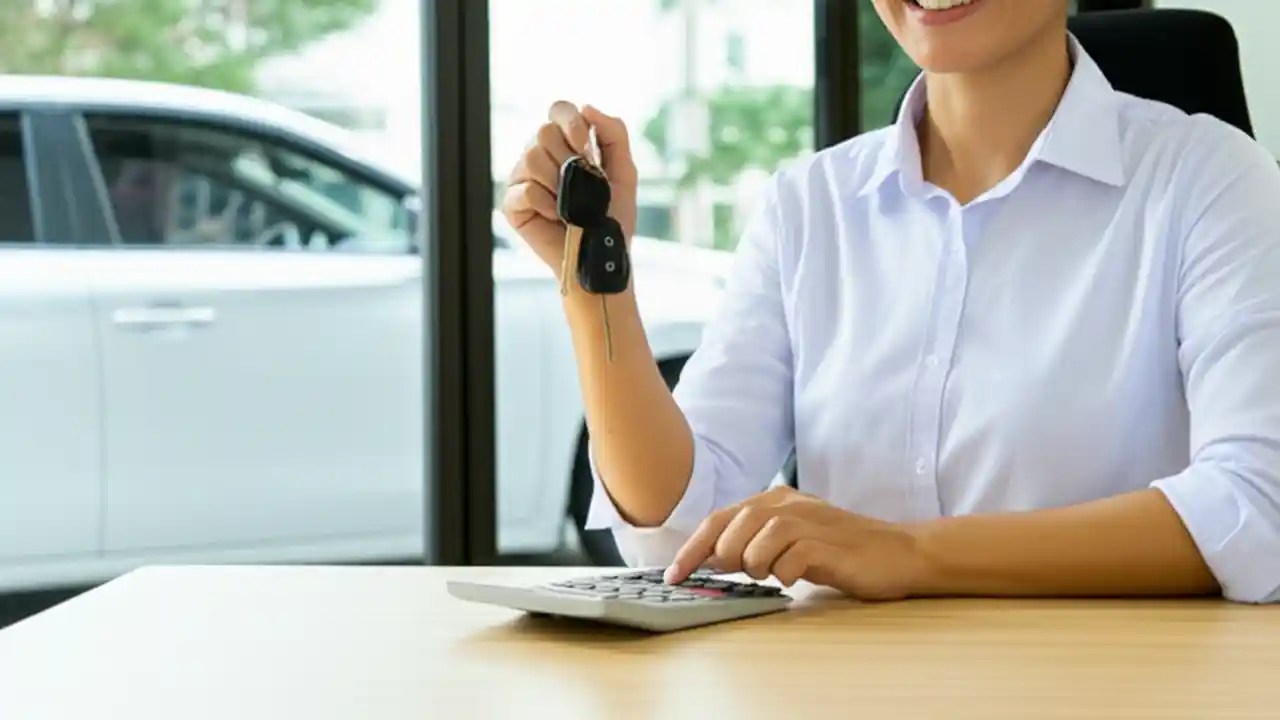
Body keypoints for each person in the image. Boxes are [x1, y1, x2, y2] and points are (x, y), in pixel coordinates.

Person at [501, 0, 1280, 603]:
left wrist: (910, 553)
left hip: (1114, 689)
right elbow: (674, 523)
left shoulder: (1209, 179)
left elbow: (1256, 509)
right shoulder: (811, 204)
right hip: (856, 686)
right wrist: (594, 287)